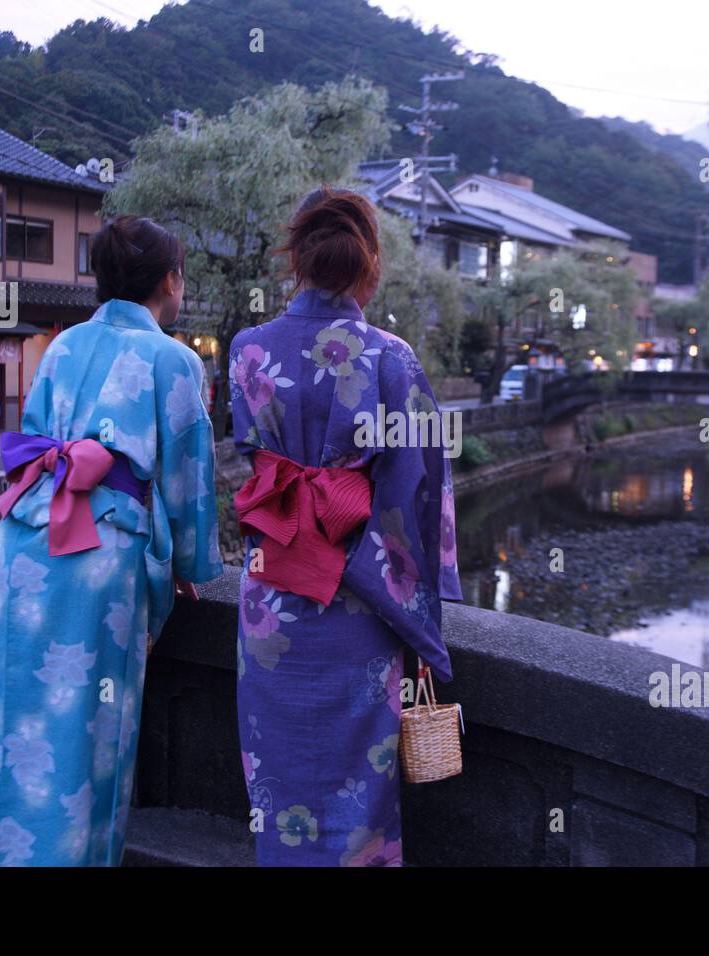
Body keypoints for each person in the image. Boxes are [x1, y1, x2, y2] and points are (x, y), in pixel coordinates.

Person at [0, 215, 223, 866]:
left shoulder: (63, 346)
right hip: (101, 554)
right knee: (85, 726)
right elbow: (190, 478)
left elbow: (32, 444)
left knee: (13, 708)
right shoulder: (176, 360)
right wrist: (189, 563)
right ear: (171, 280)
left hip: (26, 539)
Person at [228, 186, 461, 866]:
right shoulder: (392, 358)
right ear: (371, 263)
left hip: (271, 600)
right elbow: (417, 496)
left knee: (278, 785)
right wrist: (424, 614)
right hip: (360, 606)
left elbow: (257, 467)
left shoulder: (246, 350)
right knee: (361, 797)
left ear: (295, 259)